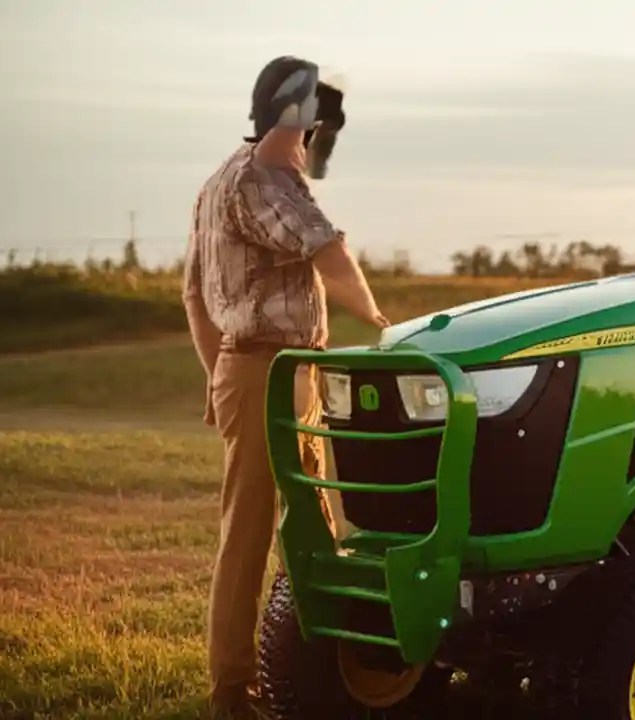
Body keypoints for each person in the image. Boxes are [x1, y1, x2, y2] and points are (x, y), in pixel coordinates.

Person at [182, 55, 390, 718]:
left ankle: (311, 672)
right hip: (276, 372)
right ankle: (235, 692)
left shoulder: (218, 179)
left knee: (308, 524)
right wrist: (381, 322)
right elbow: (328, 252)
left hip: (255, 371)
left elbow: (192, 294)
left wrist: (218, 371)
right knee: (264, 531)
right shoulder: (270, 179)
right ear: (301, 118)